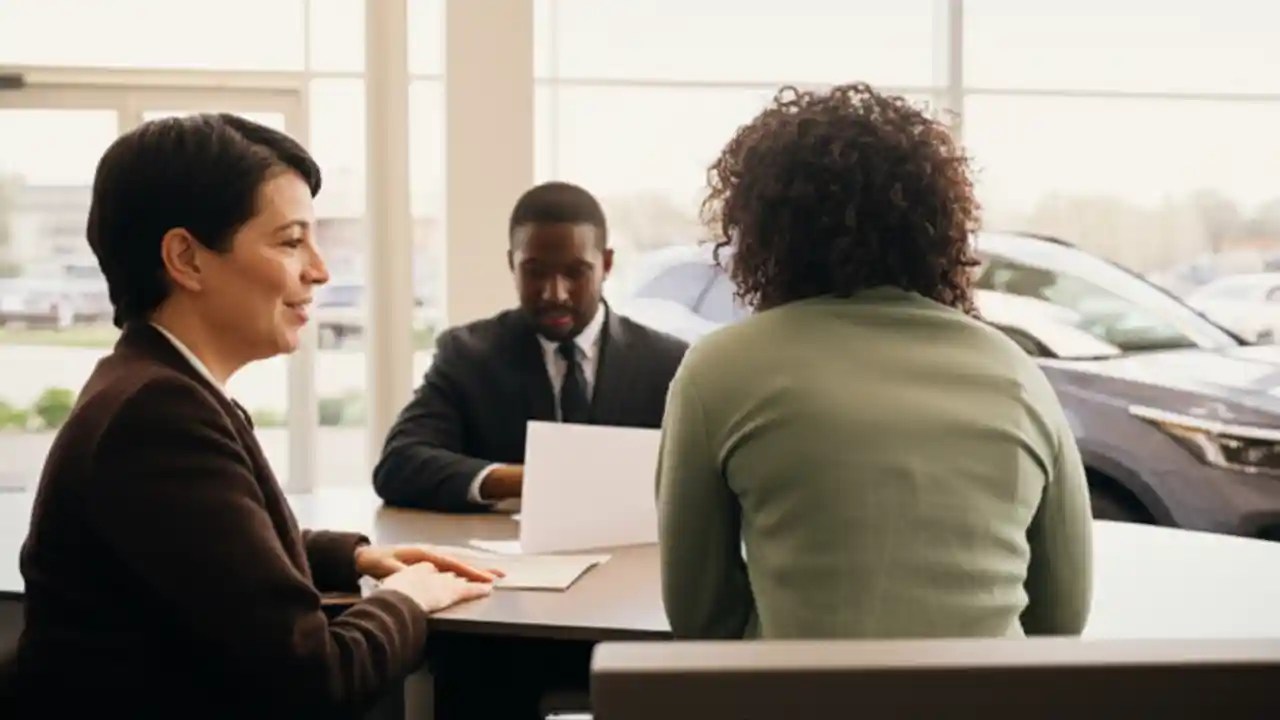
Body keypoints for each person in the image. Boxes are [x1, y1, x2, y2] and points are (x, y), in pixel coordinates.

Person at [13, 114, 497, 717]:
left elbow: (216, 546)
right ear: (186, 258)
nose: (319, 270)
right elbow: (312, 679)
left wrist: (354, 558)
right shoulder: (159, 416)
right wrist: (408, 599)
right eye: (291, 241)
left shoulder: (151, 383)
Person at [656, 84, 1093, 640]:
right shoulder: (1016, 373)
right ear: (941, 229)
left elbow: (698, 614)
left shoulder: (718, 371)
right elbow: (1063, 618)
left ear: (765, 232)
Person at [373, 181, 688, 513]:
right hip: (507, 561)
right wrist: (530, 481)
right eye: (535, 273)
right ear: (512, 263)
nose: (555, 293)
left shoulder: (667, 365)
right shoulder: (467, 355)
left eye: (575, 273)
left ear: (606, 264)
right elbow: (399, 464)